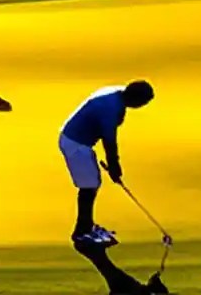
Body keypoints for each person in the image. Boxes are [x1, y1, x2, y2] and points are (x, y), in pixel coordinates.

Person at [59, 80, 155, 245]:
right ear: (135, 100)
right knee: (89, 187)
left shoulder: (116, 95)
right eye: (143, 103)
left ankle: (87, 226)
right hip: (75, 143)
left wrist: (113, 167)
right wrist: (114, 166)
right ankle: (82, 232)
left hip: (78, 140)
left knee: (92, 184)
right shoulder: (111, 109)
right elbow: (109, 140)